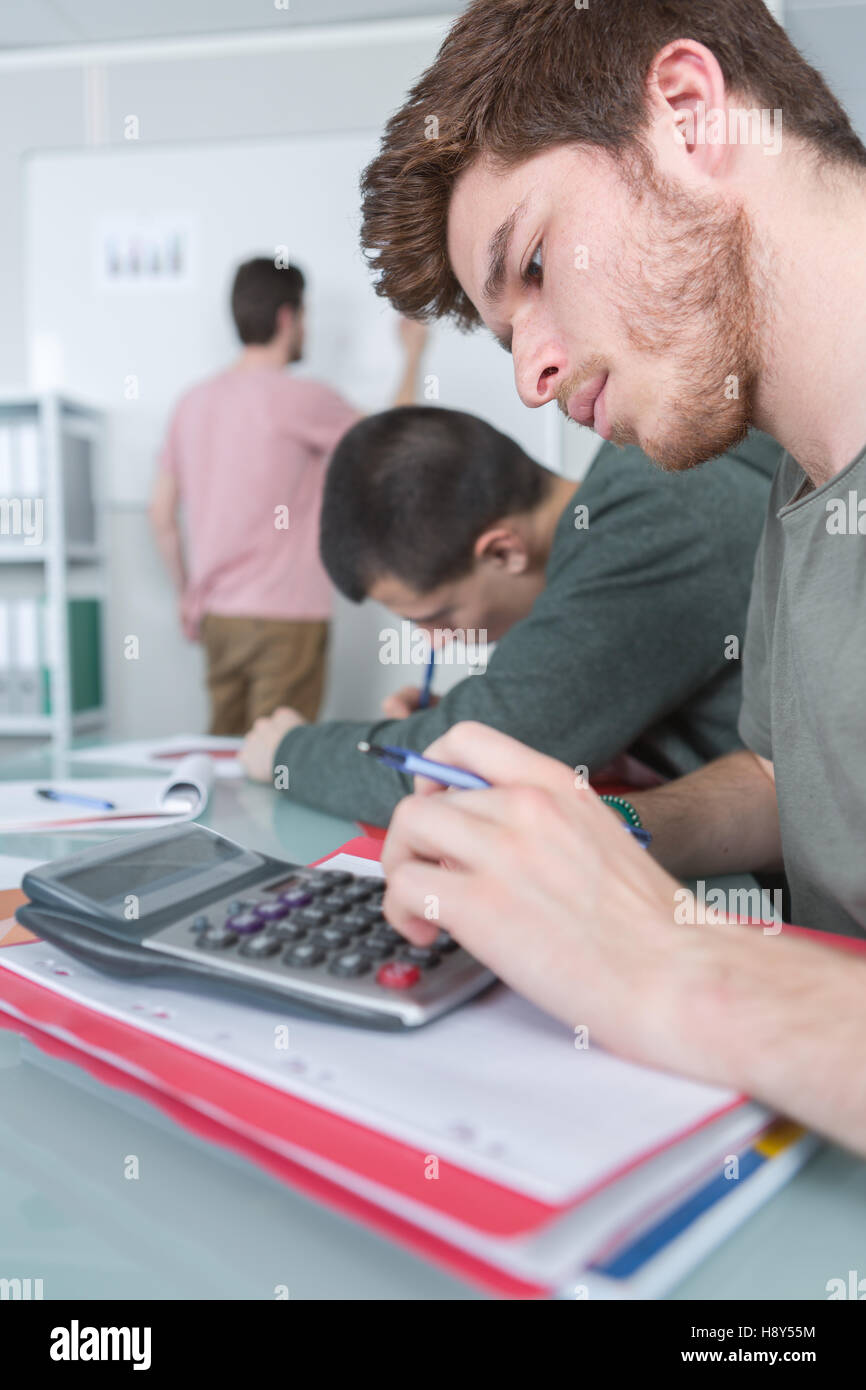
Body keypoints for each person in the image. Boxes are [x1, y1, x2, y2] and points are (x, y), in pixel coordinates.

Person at [356, 0, 866, 1154]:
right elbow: (801, 777)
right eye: (502, 332)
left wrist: (670, 965)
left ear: (686, 113)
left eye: (532, 263)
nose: (533, 375)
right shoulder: (801, 474)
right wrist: (601, 839)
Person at [241, 405, 781, 826]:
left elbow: (445, 776)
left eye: (436, 616)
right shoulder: (633, 480)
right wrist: (474, 713)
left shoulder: (647, 531)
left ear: (502, 552)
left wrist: (290, 750)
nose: (439, 643)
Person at [149, 256, 425, 733]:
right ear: (285, 317)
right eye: (305, 315)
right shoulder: (304, 399)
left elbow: (160, 516)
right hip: (287, 618)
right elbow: (393, 439)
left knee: (226, 763)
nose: (306, 329)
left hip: (219, 619)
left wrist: (186, 595)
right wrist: (415, 353)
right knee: (279, 763)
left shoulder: (190, 404)